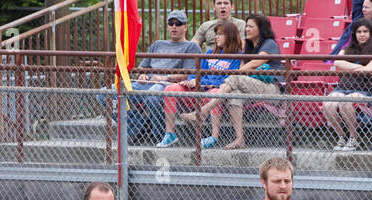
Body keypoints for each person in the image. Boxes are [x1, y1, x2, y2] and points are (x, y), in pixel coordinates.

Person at [102, 10, 201, 145]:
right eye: (171, 23)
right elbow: (142, 67)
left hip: (167, 85)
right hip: (145, 83)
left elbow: (187, 73)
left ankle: (159, 135)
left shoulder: (191, 47)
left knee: (153, 95)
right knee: (105, 93)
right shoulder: (157, 44)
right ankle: (137, 126)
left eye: (178, 24)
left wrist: (163, 78)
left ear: (185, 27)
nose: (174, 27)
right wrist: (142, 74)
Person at [157, 20, 244, 148]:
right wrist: (191, 80)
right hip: (198, 89)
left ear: (230, 36)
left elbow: (227, 81)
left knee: (216, 93)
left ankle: (214, 137)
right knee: (171, 88)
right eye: (216, 34)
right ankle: (170, 134)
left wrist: (201, 82)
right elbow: (197, 72)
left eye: (220, 34)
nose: (216, 37)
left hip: (213, 93)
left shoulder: (237, 57)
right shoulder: (209, 54)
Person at [204, 13, 283, 149]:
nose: (246, 29)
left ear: (261, 29)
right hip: (252, 87)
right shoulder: (248, 46)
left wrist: (234, 75)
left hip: (272, 89)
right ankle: (240, 139)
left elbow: (252, 65)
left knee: (235, 79)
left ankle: (203, 111)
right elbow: (234, 49)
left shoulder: (270, 44)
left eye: (251, 26)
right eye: (246, 26)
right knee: (234, 94)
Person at [324, 18, 372, 150]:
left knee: (346, 102)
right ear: (354, 34)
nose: (362, 34)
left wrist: (348, 66)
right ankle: (341, 137)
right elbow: (337, 62)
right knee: (327, 104)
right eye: (359, 31)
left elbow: (370, 70)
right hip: (342, 87)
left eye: (365, 31)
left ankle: (353, 138)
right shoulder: (347, 48)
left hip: (363, 90)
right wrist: (360, 68)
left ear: (371, 33)